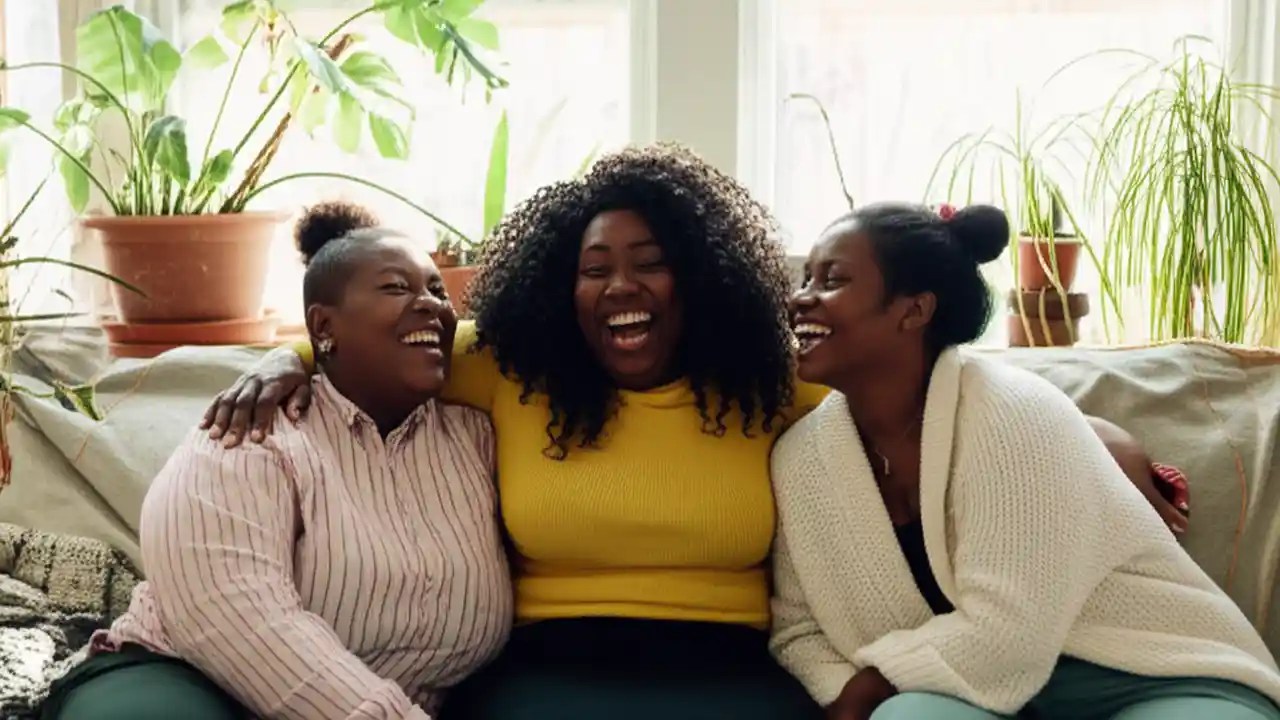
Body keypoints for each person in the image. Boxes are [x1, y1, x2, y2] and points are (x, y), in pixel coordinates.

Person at [201, 145, 1189, 718]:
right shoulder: (507, 372)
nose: (620, 286)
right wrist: (279, 358)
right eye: (595, 266)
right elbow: (393, 339)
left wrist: (1106, 445)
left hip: (733, 668)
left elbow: (948, 399)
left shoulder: (775, 387)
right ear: (563, 284)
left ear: (702, 278)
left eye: (650, 262)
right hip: (547, 669)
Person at [769, 202, 1280, 720]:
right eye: (806, 278)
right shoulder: (801, 460)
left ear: (914, 310)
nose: (801, 299)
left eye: (832, 280)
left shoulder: (1010, 412)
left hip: (1152, 675)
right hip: (968, 692)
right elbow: (798, 628)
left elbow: (1006, 633)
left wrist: (871, 684)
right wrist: (845, 695)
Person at [41, 203, 512, 720]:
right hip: (192, 677)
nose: (429, 304)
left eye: (438, 291)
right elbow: (238, 617)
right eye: (397, 288)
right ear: (323, 326)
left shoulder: (476, 442)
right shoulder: (249, 434)